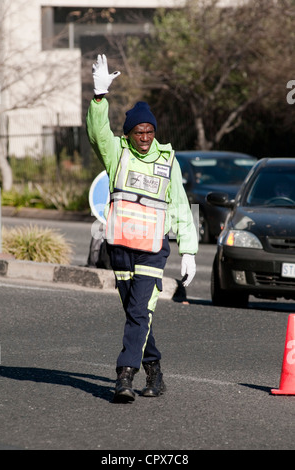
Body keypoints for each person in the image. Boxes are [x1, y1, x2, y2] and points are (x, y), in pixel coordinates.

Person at [86, 54, 198, 403]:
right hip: (120, 245)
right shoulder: (117, 153)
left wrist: (189, 250)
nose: (145, 136)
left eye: (149, 130)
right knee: (135, 311)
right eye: (139, 131)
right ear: (130, 133)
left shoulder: (167, 160)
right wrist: (99, 99)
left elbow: (179, 203)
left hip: (153, 247)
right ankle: (155, 370)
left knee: (139, 310)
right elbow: (96, 133)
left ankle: (124, 376)